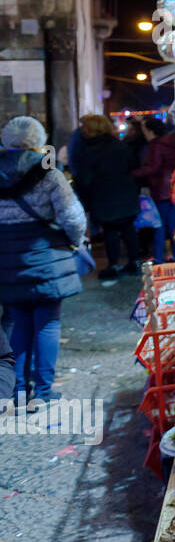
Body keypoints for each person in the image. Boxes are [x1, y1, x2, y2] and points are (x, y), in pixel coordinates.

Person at [0, 115, 86, 409]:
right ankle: (43, 392)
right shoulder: (49, 173)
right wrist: (75, 240)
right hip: (46, 255)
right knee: (47, 323)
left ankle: (19, 391)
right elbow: (72, 217)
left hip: (6, 260)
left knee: (18, 323)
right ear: (39, 140)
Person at [76, 114, 142, 280]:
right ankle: (134, 262)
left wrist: (85, 200)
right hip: (126, 195)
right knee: (128, 229)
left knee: (111, 232)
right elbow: (133, 165)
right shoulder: (119, 145)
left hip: (104, 198)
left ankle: (113, 265)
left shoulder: (89, 151)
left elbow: (85, 179)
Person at [133, 116, 175, 263]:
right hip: (174, 188)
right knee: (174, 224)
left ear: (149, 130)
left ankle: (159, 257)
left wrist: (133, 174)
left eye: (143, 129)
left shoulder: (155, 145)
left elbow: (154, 167)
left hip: (161, 190)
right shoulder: (170, 142)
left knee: (159, 225)